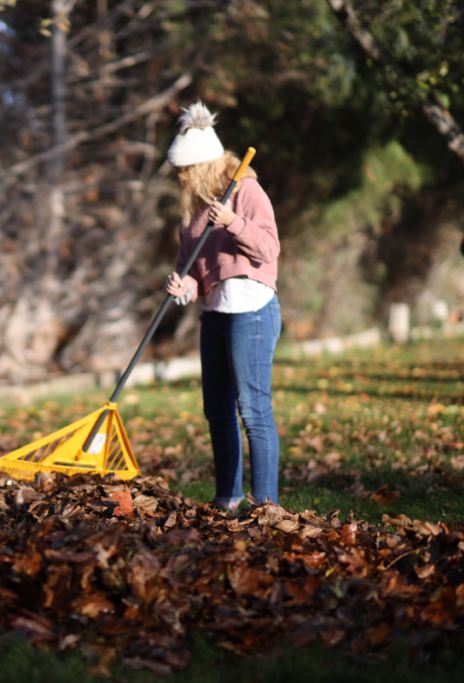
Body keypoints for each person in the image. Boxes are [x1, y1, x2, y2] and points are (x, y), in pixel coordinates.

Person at [163, 101, 281, 509]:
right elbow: (191, 271)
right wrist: (182, 285)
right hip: (214, 315)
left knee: (253, 409)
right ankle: (227, 498)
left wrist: (232, 221)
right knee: (217, 410)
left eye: (187, 171)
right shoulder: (191, 213)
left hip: (252, 310)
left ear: (207, 165)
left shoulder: (245, 191)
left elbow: (269, 249)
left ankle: (265, 505)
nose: (181, 179)